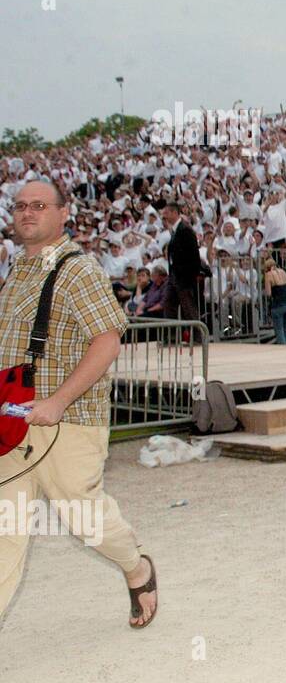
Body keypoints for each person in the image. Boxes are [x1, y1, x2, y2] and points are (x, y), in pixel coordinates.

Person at [0, 180, 158, 629]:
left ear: (63, 213)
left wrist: (57, 401)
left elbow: (107, 343)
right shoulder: (17, 269)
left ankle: (136, 566)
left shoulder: (78, 269)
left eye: (38, 205)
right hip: (14, 422)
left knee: (85, 520)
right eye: (20, 206)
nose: (27, 213)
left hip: (68, 422)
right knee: (5, 531)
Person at [261, 255, 286, 344]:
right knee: (285, 329)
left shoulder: (268, 275)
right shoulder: (285, 271)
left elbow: (268, 293)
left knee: (279, 331)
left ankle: (283, 351)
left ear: (267, 268)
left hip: (278, 305)